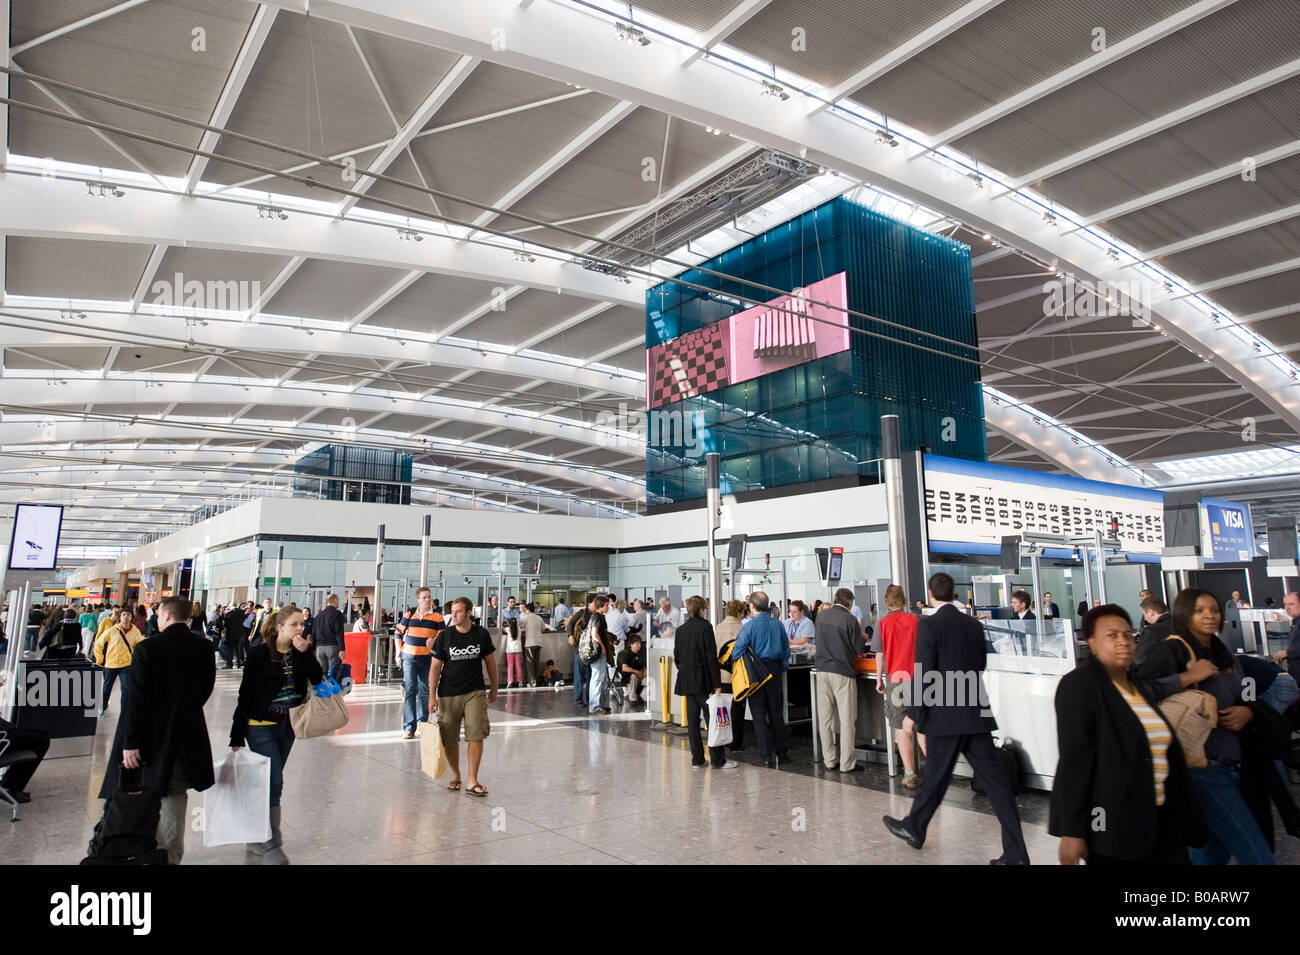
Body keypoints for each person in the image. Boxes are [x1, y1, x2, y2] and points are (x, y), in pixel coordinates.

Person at [882, 573, 1030, 865]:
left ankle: (914, 828)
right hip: (974, 711)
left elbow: (925, 672)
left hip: (944, 715)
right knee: (997, 786)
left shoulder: (929, 625)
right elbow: (980, 664)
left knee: (935, 779)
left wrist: (914, 713)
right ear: (953, 593)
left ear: (931, 593)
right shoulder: (973, 624)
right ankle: (1017, 853)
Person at [1051, 605, 1205, 865]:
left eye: (1127, 634)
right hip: (1115, 825)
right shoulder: (1079, 685)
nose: (1123, 641)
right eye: (1112, 635)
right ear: (1093, 644)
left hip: (1161, 819)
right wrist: (1072, 830)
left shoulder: (1136, 685)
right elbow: (1075, 759)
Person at [1137, 588, 1279, 865]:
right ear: (1183, 614)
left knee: (1212, 853)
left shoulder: (1219, 650)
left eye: (1214, 609)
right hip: (1202, 768)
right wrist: (1187, 677)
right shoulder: (1173, 648)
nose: (1210, 615)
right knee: (1257, 855)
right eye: (1200, 610)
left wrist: (1247, 711)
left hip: (1235, 762)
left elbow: (1240, 695)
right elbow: (1139, 690)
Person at [100, 596, 215, 865]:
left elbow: (136, 701)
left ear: (165, 616)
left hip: (150, 736)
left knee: (144, 790)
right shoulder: (204, 648)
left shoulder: (147, 648)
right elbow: (205, 690)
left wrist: (130, 743)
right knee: (175, 794)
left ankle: (140, 848)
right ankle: (169, 856)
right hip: (186, 733)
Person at [229, 603, 323, 856]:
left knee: (267, 783)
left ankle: (256, 834)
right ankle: (271, 839)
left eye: (302, 624)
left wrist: (306, 652)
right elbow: (245, 693)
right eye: (294, 624)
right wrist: (236, 733)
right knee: (274, 781)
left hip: (288, 726)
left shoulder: (299, 652)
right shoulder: (260, 653)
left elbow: (316, 678)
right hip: (260, 726)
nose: (299, 629)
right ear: (280, 627)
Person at [430, 597, 497, 797]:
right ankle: (456, 775)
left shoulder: (481, 634)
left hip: (475, 691)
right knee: (449, 737)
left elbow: (491, 663)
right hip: (448, 693)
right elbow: (435, 667)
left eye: (459, 611)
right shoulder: (444, 637)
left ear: (469, 613)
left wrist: (494, 688)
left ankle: (472, 780)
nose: (455, 615)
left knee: (476, 733)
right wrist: (431, 697)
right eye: (453, 611)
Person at [673, 596, 738, 771]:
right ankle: (718, 760)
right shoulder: (705, 628)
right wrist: (716, 683)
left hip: (687, 682)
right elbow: (711, 657)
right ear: (702, 610)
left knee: (692, 723)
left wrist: (686, 670)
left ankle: (697, 759)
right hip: (703, 681)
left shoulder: (680, 630)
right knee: (713, 722)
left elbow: (677, 658)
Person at [731, 591, 790, 768]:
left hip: (756, 672)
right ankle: (782, 753)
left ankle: (765, 754)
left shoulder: (748, 627)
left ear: (751, 606)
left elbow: (737, 652)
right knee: (777, 714)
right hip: (775, 671)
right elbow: (786, 650)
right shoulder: (778, 625)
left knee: (759, 715)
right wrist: (782, 668)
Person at [815, 588, 867, 774]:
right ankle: (847, 763)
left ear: (835, 599)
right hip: (842, 672)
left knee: (825, 718)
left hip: (821, 672)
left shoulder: (820, 617)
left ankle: (829, 760)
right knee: (846, 719)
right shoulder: (850, 620)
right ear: (850, 603)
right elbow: (859, 648)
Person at [874, 585, 922, 788]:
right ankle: (938, 772)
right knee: (923, 726)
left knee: (902, 728)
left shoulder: (883, 624)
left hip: (896, 679)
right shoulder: (916, 620)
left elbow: (879, 654)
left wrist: (879, 679)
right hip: (917, 677)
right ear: (904, 600)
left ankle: (909, 773)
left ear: (886, 601)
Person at [394, 587, 445, 740]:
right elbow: (398, 632)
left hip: (427, 659)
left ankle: (422, 723)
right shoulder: (409, 615)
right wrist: (399, 651)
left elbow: (442, 638)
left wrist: (433, 642)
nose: (428, 600)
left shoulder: (437, 617)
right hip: (409, 658)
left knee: (424, 691)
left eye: (429, 597)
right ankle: (409, 727)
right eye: (425, 597)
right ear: (418, 600)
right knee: (410, 690)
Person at [91, 608, 144, 715]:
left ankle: (124, 711)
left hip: (127, 665)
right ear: (120, 617)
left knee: (126, 689)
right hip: (111, 664)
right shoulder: (112, 630)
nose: (126, 617)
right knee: (106, 688)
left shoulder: (135, 632)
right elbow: (99, 644)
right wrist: (100, 659)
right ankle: (102, 707)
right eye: (123, 614)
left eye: (128, 615)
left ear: (131, 617)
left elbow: (140, 646)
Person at [714, 599, 747, 751]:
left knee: (723, 709)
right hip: (737, 675)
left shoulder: (718, 628)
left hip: (721, 674)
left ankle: (722, 739)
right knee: (737, 709)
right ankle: (735, 742)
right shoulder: (743, 628)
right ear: (740, 612)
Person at [583, 595, 613, 714]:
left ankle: (601, 704)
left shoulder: (598, 616)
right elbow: (595, 633)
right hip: (598, 652)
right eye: (607, 605)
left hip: (599, 651)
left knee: (602, 678)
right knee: (597, 678)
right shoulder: (597, 617)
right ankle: (595, 706)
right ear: (601, 605)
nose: (608, 607)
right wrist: (602, 647)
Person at [568, 594, 597, 710]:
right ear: (589, 602)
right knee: (579, 674)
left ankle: (590, 698)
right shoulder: (583, 613)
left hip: (593, 649)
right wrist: (570, 636)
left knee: (591, 674)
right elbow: (570, 623)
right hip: (580, 647)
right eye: (596, 602)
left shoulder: (598, 615)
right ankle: (578, 699)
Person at [313, 593, 347, 679]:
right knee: (334, 673)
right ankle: (334, 692)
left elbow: (314, 634)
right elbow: (339, 632)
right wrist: (342, 649)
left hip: (320, 648)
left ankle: (323, 691)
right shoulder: (337, 614)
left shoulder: (318, 616)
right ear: (335, 600)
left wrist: (313, 650)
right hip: (333, 647)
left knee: (321, 675)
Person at [1134, 596, 1172, 667]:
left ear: (1151, 612)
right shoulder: (1180, 624)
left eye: (1144, 614)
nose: (1145, 618)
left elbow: (1139, 659)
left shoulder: (1152, 631)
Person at [1271, 591, 1300, 669]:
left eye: (1291, 604)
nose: (1287, 608)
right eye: (1285, 604)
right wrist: (1287, 620)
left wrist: (1287, 653)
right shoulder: (1295, 622)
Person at [617, 634, 647, 704]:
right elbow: (624, 668)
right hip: (629, 676)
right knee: (633, 677)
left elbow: (644, 665)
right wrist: (636, 672)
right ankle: (632, 699)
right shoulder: (627, 654)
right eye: (637, 643)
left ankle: (642, 696)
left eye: (639, 643)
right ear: (631, 645)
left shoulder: (641, 653)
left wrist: (644, 673)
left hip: (640, 674)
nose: (639, 645)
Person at [520, 602, 545, 686]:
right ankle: (536, 680)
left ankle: (532, 682)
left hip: (530, 643)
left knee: (529, 663)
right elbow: (543, 628)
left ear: (527, 609)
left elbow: (518, 626)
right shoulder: (539, 618)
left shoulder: (525, 618)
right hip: (539, 642)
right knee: (536, 662)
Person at [222, 601, 249, 669]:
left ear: (231, 606)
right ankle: (238, 663)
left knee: (230, 649)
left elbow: (226, 624)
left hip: (230, 633)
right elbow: (244, 619)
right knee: (238, 649)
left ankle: (229, 664)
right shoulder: (241, 612)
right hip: (239, 633)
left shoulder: (229, 613)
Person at [503, 618, 524, 688]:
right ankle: (520, 681)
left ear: (509, 624)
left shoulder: (508, 629)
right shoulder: (519, 629)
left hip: (510, 650)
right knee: (518, 666)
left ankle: (510, 681)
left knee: (510, 666)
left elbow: (502, 628)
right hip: (518, 649)